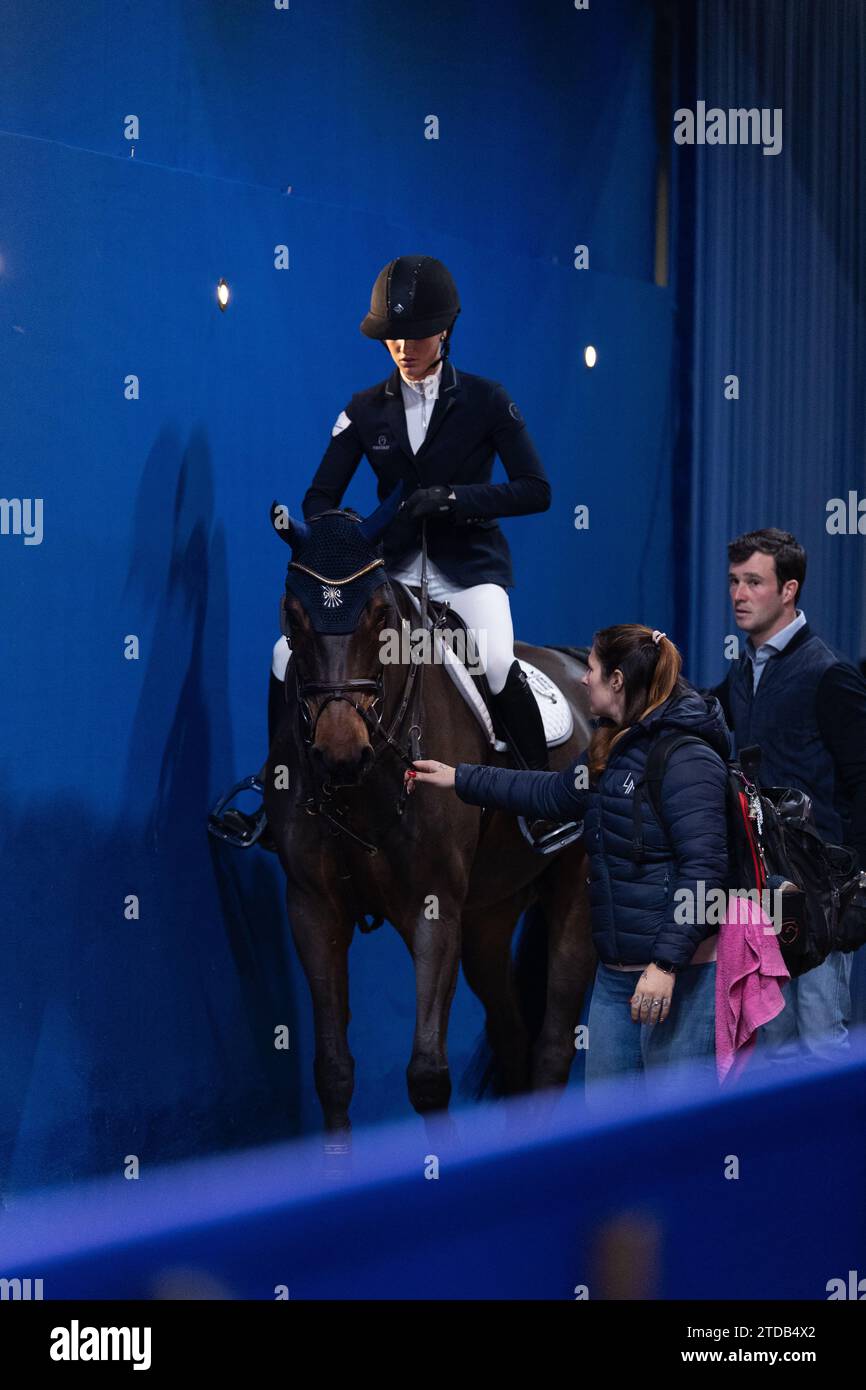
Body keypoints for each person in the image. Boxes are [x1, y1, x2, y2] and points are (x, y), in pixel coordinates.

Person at [209, 254, 579, 852]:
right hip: (394, 569)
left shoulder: (487, 400)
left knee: (492, 658)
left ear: (446, 331)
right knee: (283, 654)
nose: (403, 348)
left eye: (416, 335)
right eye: (393, 338)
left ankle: (538, 801)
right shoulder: (363, 408)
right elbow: (319, 497)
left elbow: (536, 489)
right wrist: (353, 531)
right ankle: (277, 793)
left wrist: (454, 499)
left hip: (470, 570)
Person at [405, 625, 731, 1101]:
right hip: (616, 979)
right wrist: (459, 778)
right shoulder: (612, 748)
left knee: (677, 1129)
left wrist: (665, 964)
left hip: (680, 980)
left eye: (593, 670)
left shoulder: (688, 758)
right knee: (608, 1125)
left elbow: (705, 872)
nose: (582, 678)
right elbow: (550, 792)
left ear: (617, 681)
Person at [710, 527, 866, 1067]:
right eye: (734, 581)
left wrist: (858, 883)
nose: (738, 594)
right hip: (760, 886)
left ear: (789, 589)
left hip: (821, 889)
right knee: (770, 1044)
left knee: (822, 1043)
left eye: (754, 582)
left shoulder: (830, 674)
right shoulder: (743, 671)